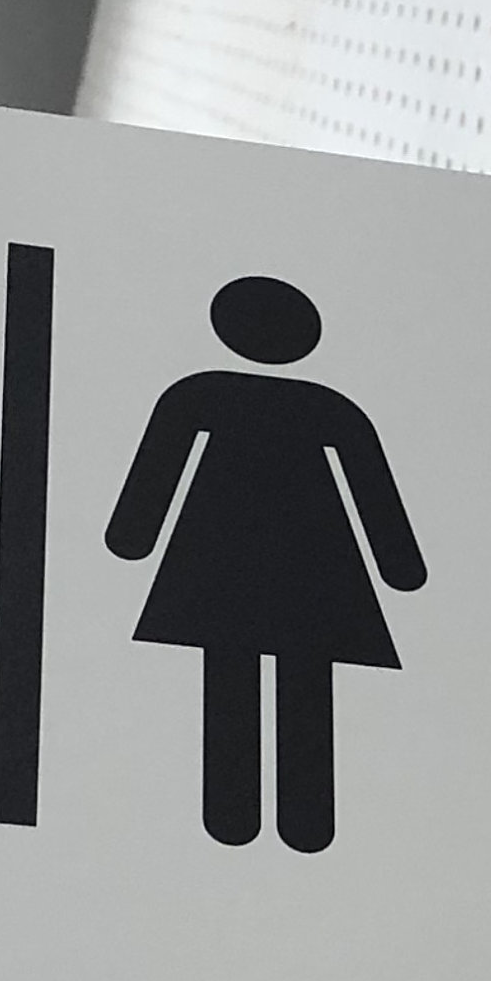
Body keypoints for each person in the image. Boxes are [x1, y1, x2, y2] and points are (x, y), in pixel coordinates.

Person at [106, 275, 424, 851]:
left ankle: (239, 815)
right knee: (300, 681)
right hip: (313, 561)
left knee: (237, 674)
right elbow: (372, 490)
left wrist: (133, 537)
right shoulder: (326, 406)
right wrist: (399, 566)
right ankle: (294, 820)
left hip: (224, 556)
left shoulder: (203, 392)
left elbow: (155, 475)